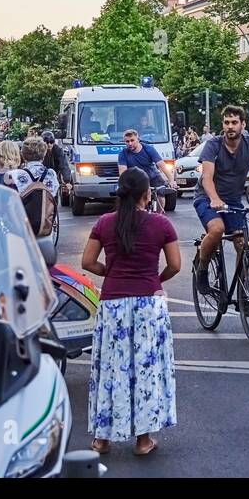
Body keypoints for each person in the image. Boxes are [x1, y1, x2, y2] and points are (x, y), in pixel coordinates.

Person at [81, 168, 179, 457]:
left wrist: (109, 271)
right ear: (146, 194)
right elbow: (175, 265)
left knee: (110, 368)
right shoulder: (160, 225)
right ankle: (143, 440)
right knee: (144, 371)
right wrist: (154, 280)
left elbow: (88, 262)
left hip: (113, 303)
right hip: (148, 304)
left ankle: (101, 439)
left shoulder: (104, 222)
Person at [193, 105, 249, 293]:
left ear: (243, 124)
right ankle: (202, 268)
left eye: (234, 122)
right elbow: (207, 177)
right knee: (217, 229)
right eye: (226, 122)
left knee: (242, 243)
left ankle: (242, 290)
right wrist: (214, 199)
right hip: (207, 198)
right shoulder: (213, 145)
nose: (230, 126)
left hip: (233, 201)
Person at [117, 128, 177, 196]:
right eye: (127, 141)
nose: (130, 143)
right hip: (136, 180)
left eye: (132, 140)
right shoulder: (123, 153)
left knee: (160, 194)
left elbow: (161, 164)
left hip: (153, 177)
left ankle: (160, 206)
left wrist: (171, 180)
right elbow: (123, 172)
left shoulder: (148, 148)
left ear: (138, 140)